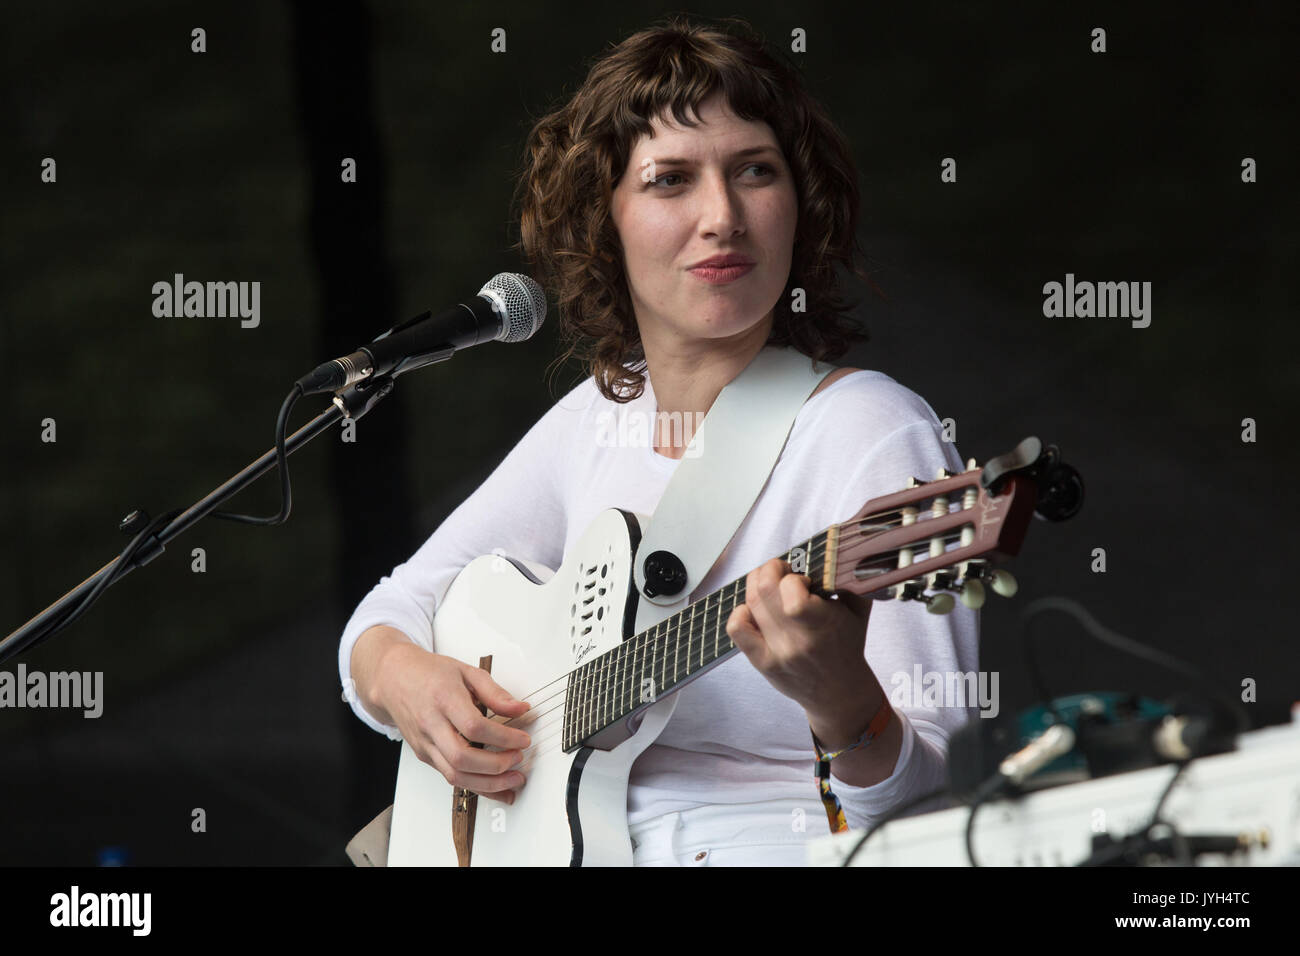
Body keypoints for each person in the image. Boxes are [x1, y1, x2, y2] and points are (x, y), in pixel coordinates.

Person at [339, 15, 978, 866]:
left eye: (755, 170)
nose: (722, 217)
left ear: (801, 204)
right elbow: (388, 614)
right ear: (605, 222)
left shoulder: (872, 431)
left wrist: (844, 707)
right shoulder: (596, 420)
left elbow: (933, 804)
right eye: (671, 180)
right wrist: (404, 681)